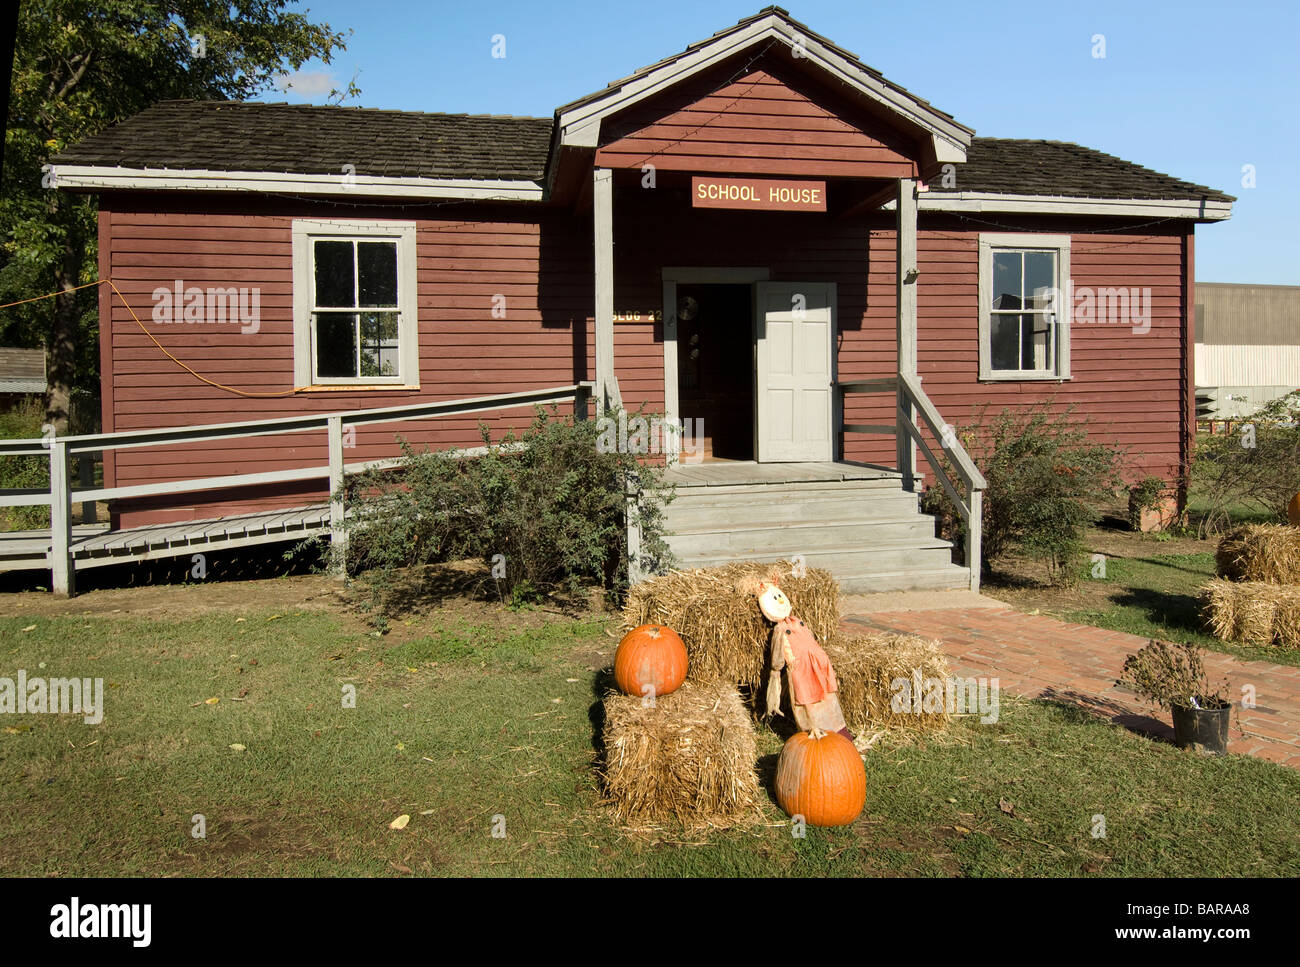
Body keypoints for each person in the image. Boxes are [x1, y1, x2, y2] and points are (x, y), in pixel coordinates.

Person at [754, 580, 855, 741]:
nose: (780, 601)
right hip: (801, 668)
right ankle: (816, 733)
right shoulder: (780, 630)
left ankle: (839, 732)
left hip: (816, 662)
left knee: (826, 696)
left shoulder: (797, 621)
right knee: (807, 697)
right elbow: (777, 656)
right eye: (775, 599)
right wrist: (775, 671)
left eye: (780, 597)